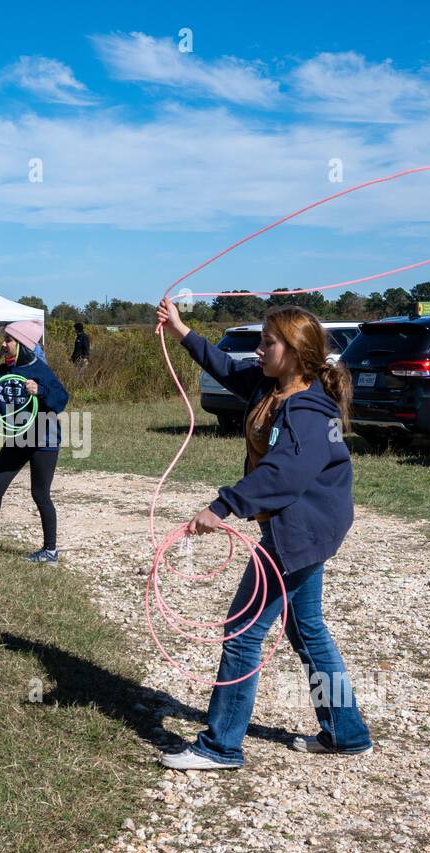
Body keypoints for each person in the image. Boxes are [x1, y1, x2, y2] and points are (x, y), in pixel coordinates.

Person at [155, 298, 372, 769]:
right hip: (294, 526)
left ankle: (221, 746)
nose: (258, 350)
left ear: (293, 352)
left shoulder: (309, 410)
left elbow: (285, 474)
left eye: (267, 342)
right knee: (306, 627)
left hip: (300, 530)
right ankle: (347, 732)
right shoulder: (271, 386)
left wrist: (223, 505)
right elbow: (228, 369)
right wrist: (181, 331)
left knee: (243, 628)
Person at [0, 320, 68, 564]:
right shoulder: (1, 372)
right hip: (17, 439)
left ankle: (50, 551)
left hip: (44, 440)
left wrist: (40, 390)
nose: (3, 343)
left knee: (40, 494)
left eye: (8, 340)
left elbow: (61, 399)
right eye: (5, 339)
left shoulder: (39, 370)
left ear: (21, 344)